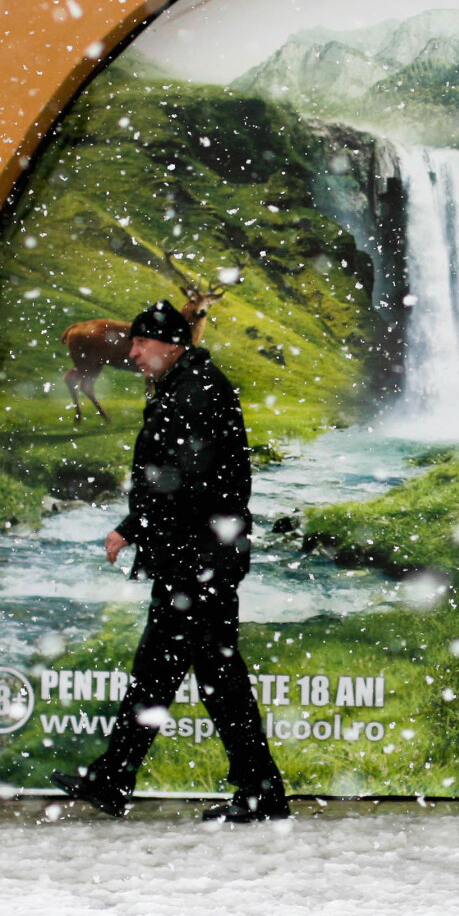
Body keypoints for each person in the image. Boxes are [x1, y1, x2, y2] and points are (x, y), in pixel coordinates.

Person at [52, 301, 288, 823]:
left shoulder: (196, 391)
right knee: (175, 672)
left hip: (198, 558)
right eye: (132, 343)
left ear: (170, 344)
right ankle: (119, 779)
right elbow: (177, 475)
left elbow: (183, 477)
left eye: (140, 344)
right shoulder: (187, 385)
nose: (131, 352)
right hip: (197, 556)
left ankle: (255, 791)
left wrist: (131, 527)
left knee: (200, 676)